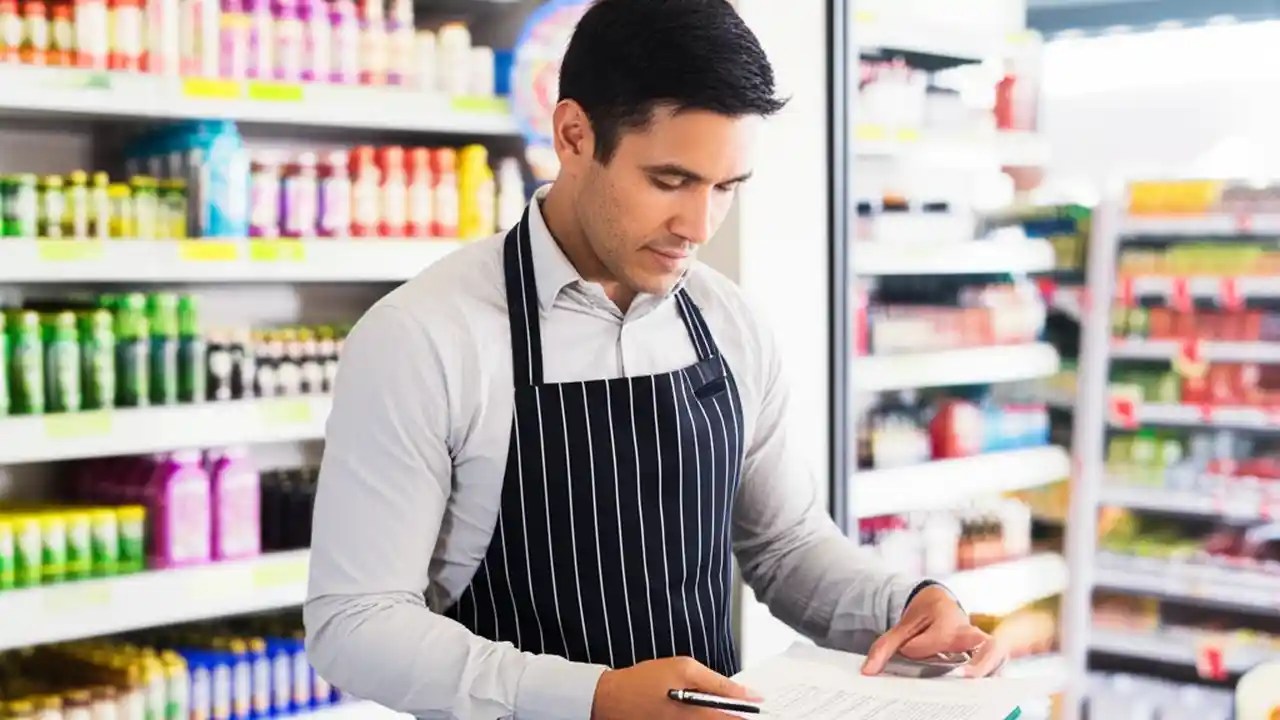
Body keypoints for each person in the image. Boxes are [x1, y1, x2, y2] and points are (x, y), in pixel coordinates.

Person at [304, 0, 1009, 717]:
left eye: (726, 188)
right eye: (670, 181)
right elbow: (355, 624)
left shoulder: (730, 322)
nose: (698, 226)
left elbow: (786, 543)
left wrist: (909, 602)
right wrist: (595, 697)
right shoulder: (423, 338)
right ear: (574, 135)